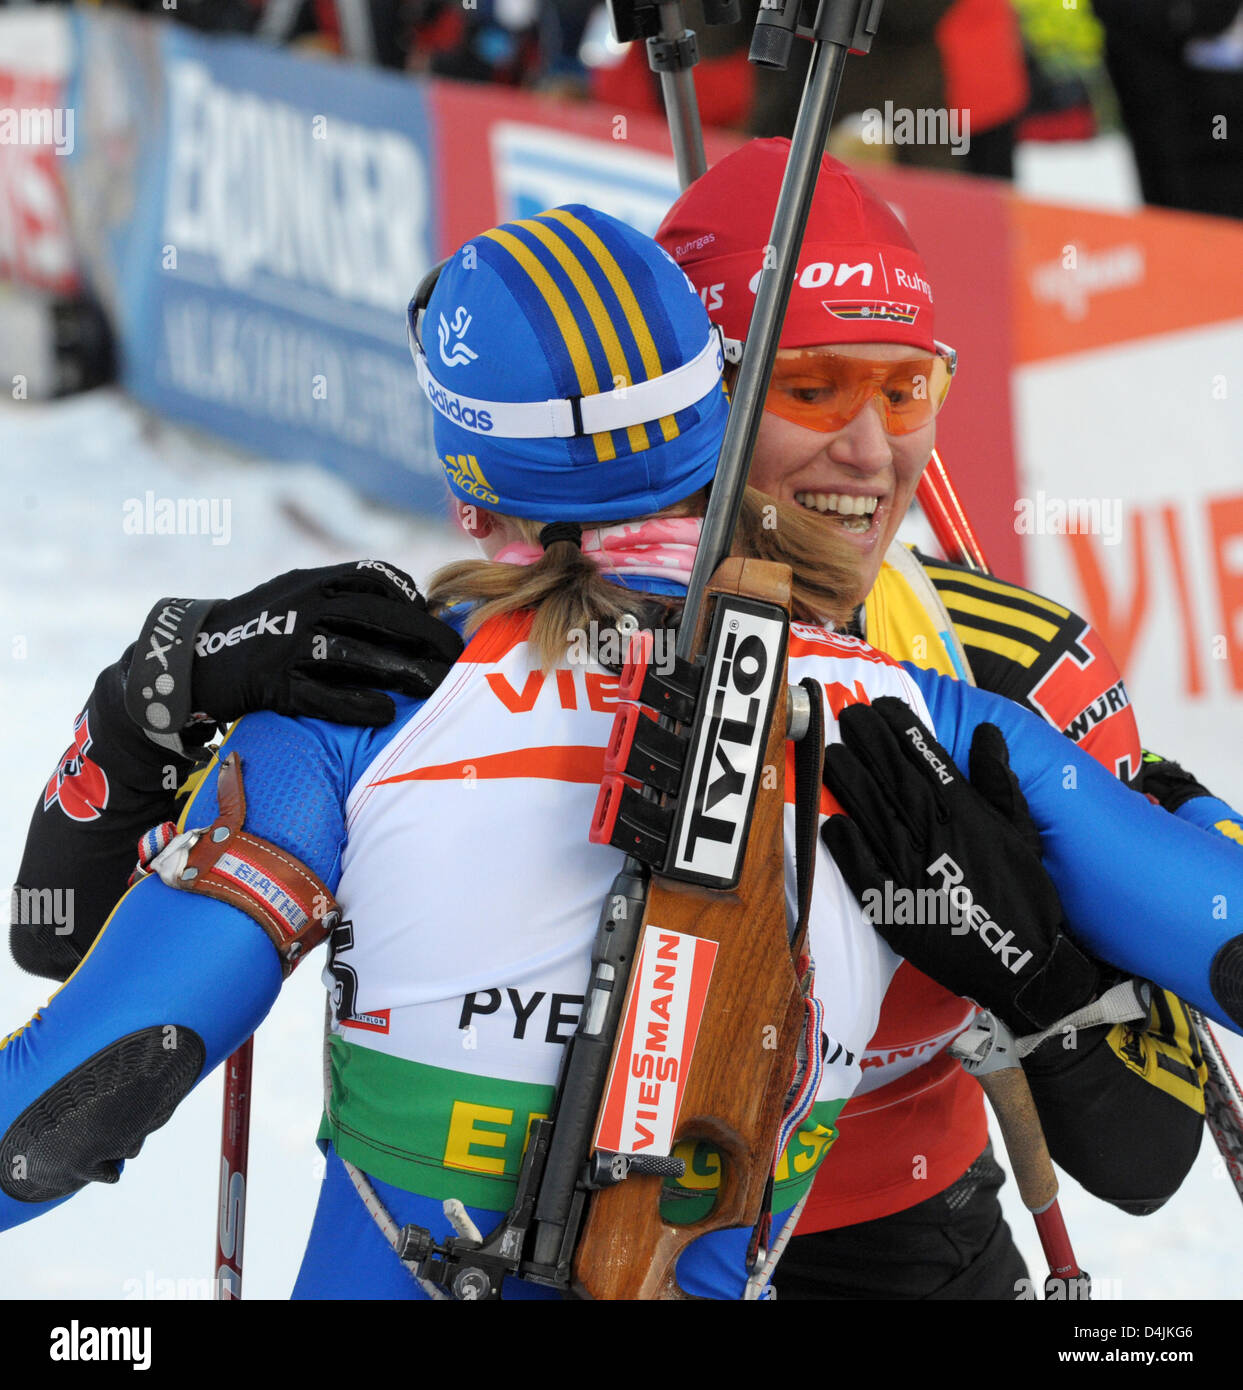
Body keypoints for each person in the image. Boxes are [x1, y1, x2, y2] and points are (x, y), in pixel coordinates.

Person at [6, 204, 1243, 1302]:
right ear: (720, 420)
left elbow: (56, 1109)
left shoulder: (345, 712)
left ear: (470, 490)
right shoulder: (936, 721)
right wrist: (1180, 823)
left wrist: (147, 699)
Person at [653, 137, 1243, 1298]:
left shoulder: (1011, 667)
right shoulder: (552, 651)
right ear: (700, 397)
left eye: (904, 386)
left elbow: (1141, 1156)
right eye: (812, 386)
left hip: (901, 1230)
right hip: (603, 1234)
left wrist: (1035, 973)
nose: (869, 452)